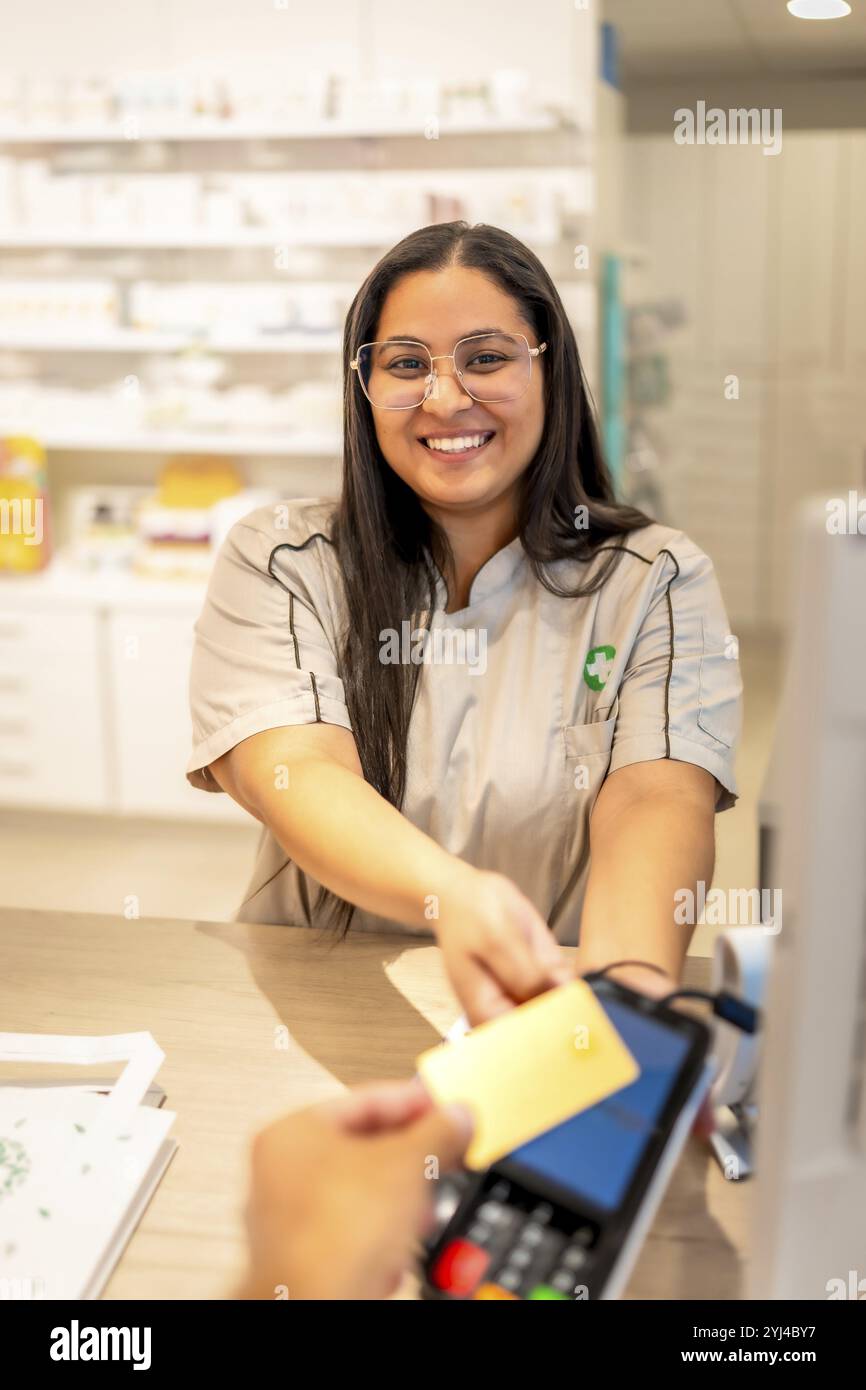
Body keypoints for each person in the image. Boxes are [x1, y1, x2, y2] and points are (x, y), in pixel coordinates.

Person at [186, 220, 742, 1025]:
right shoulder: (281, 560)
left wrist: (624, 1007)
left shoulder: (655, 581)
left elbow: (655, 801)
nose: (445, 399)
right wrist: (456, 897)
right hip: (316, 1012)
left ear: (551, 370)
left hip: (542, 1014)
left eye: (486, 358)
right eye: (407, 365)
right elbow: (295, 774)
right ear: (365, 387)